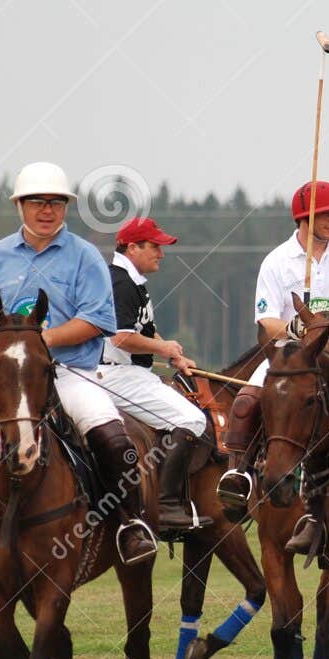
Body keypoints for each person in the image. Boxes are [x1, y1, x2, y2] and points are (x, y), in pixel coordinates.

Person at [0, 162, 155, 576]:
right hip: (11, 381)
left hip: (71, 375)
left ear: (65, 207)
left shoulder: (84, 256)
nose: (47, 210)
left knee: (117, 443)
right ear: (20, 206)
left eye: (55, 202)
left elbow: (98, 319)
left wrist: (41, 340)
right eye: (37, 202)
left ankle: (128, 525)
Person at [216, 180, 329, 532]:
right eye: (326, 213)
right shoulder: (277, 260)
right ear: (303, 218)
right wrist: (295, 330)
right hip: (291, 358)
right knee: (247, 398)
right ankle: (240, 474)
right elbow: (265, 319)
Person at [98, 216, 211, 533]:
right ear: (132, 247)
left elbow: (144, 331)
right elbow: (120, 337)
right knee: (192, 420)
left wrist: (175, 354)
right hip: (114, 375)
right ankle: (166, 505)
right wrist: (162, 349)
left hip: (130, 372)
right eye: (155, 247)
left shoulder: (131, 280)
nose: (161, 253)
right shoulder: (119, 281)